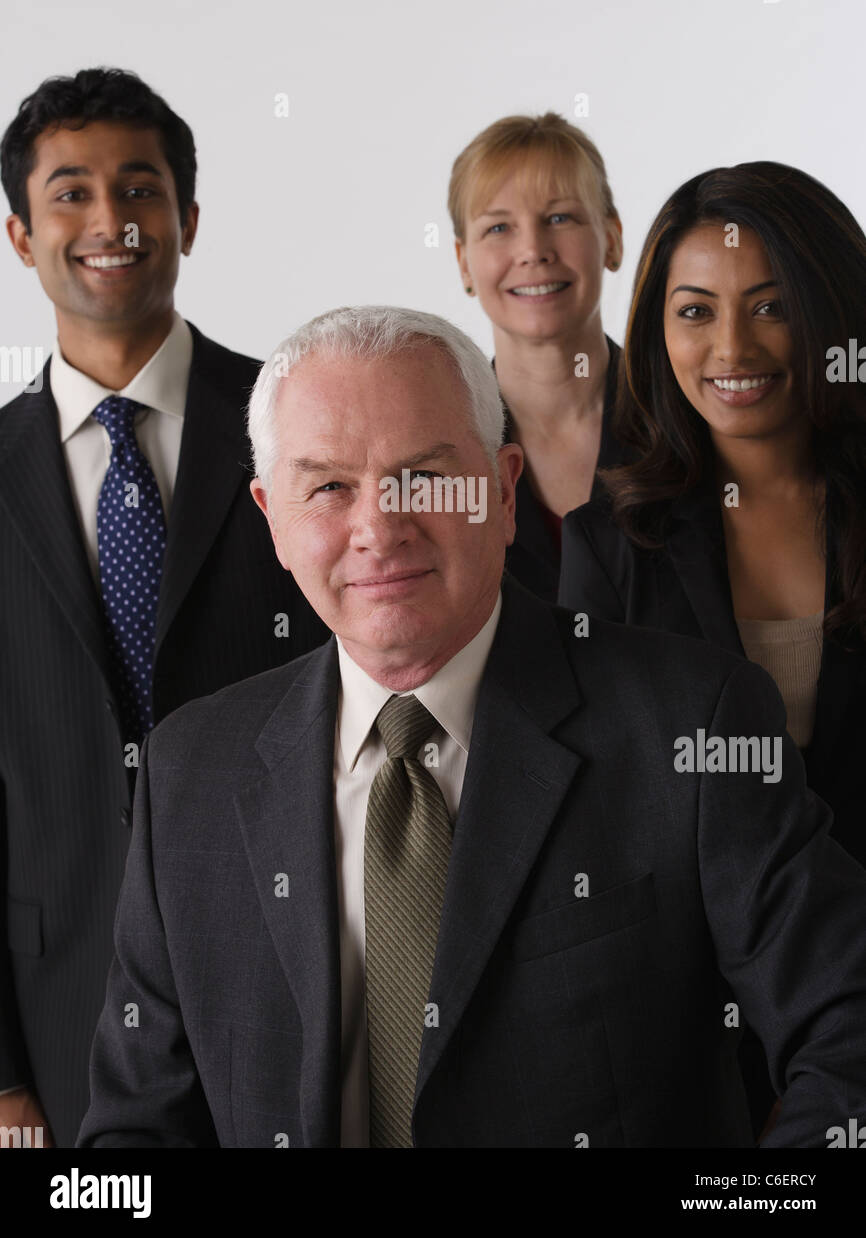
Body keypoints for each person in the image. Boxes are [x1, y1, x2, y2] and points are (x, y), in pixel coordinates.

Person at [78, 304, 866, 1149]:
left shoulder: (692, 726)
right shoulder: (190, 768)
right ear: (272, 516)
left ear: (502, 488)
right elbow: (134, 1136)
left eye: (423, 477)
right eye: (329, 487)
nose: (378, 528)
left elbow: (848, 1034)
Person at [0, 67, 329, 1148]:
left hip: (300, 958)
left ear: (188, 218)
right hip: (60, 1006)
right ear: (18, 232)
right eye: (70, 193)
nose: (110, 222)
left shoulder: (300, 425)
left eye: (139, 190)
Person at [558, 162, 866, 870]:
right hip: (694, 961)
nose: (732, 349)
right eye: (696, 310)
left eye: (772, 306)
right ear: (657, 330)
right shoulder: (608, 545)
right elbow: (593, 800)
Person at [448, 112, 627, 602]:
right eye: (499, 227)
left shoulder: (689, 418)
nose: (532, 250)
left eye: (560, 218)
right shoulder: (439, 448)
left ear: (612, 238)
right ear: (464, 262)